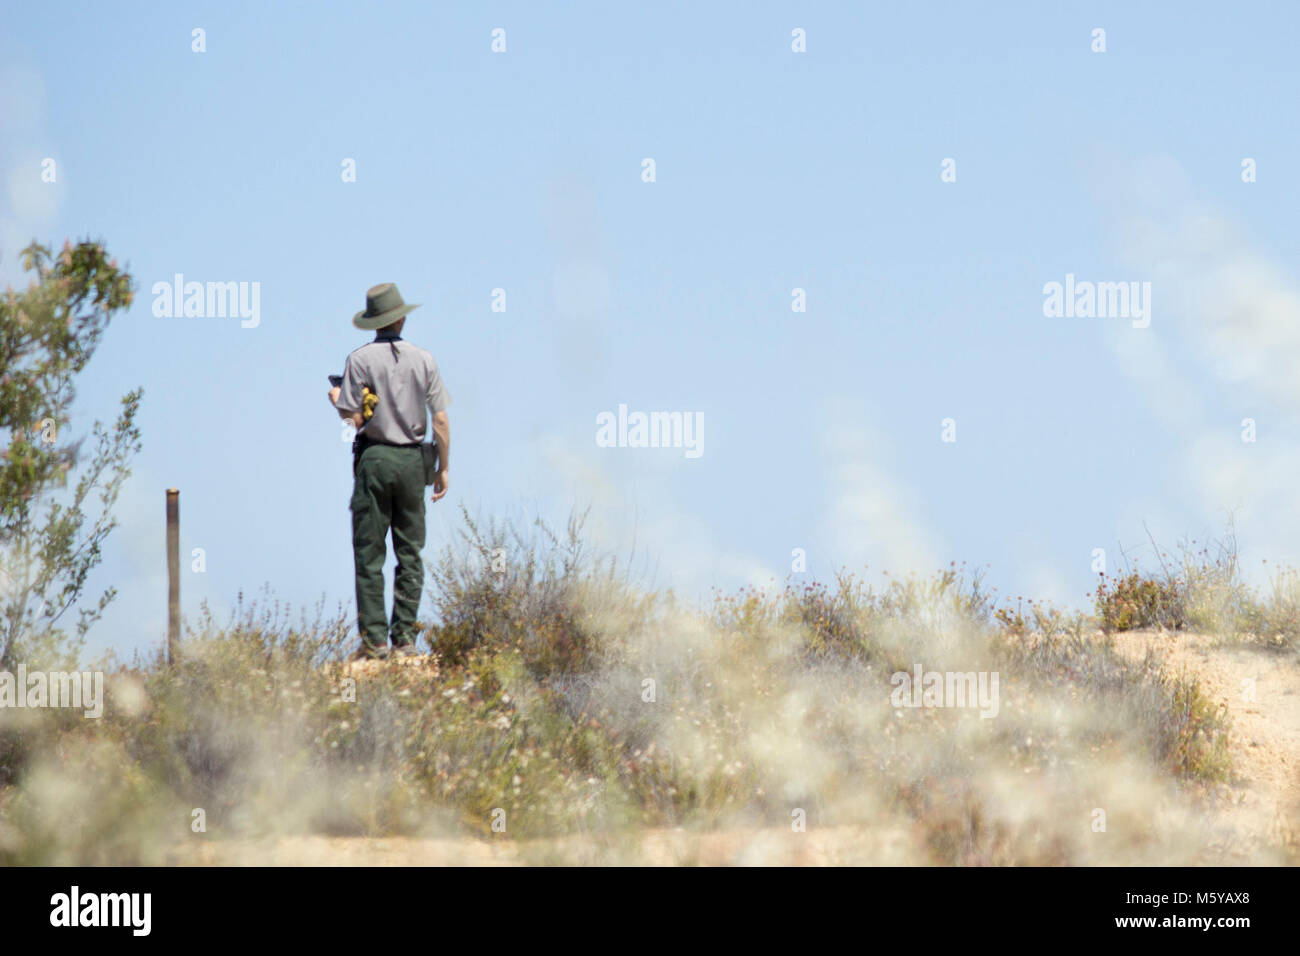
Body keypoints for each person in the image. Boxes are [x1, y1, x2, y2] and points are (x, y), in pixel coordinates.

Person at [328, 283, 451, 660]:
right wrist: (443, 468)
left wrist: (337, 402)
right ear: (400, 317)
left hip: (375, 458)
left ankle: (375, 642)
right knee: (410, 552)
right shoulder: (425, 359)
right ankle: (405, 642)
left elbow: (354, 420)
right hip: (414, 461)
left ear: (372, 322)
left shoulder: (359, 360)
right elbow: (441, 421)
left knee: (369, 551)